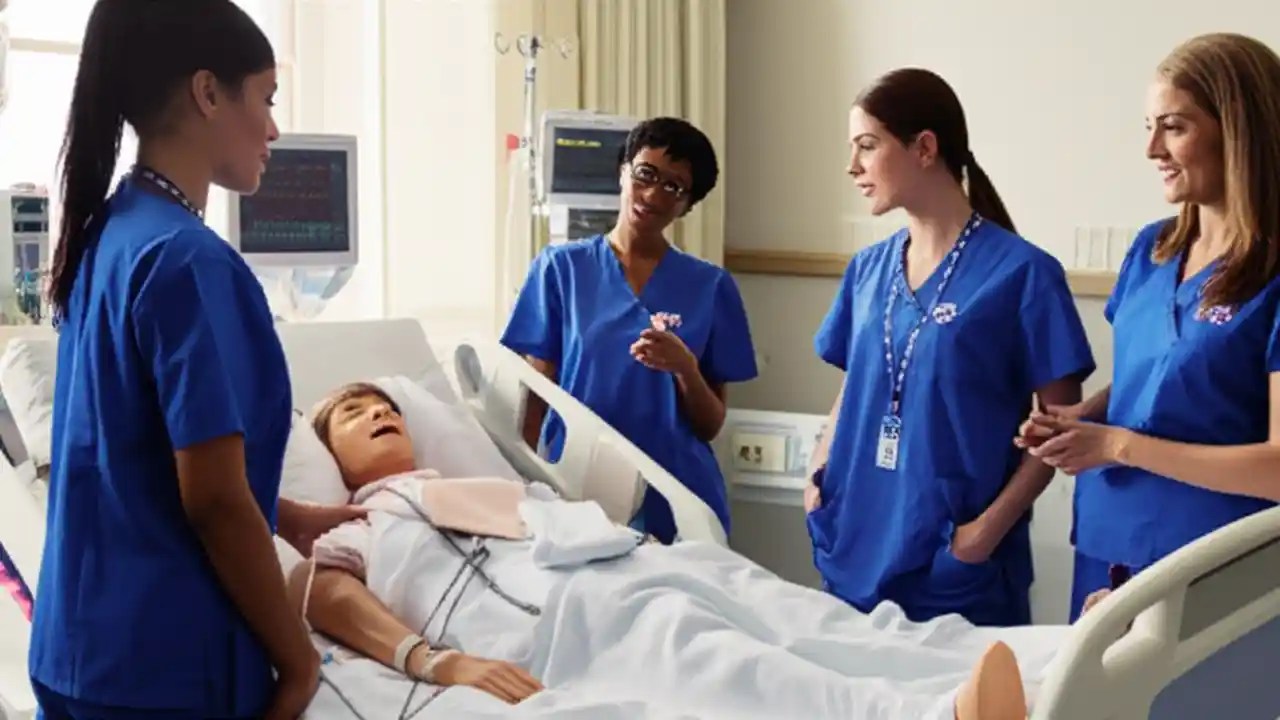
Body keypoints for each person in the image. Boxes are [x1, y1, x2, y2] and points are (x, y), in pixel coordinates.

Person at [295, 381, 1039, 719]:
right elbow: (324, 594)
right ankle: (930, 714)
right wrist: (433, 661)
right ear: (329, 455)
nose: (381, 413)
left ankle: (1035, 661)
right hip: (558, 619)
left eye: (388, 405)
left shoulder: (479, 485)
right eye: (355, 414)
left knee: (798, 618)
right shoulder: (360, 527)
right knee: (720, 657)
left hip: (617, 563)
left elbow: (558, 520)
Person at [30, 2, 358, 718]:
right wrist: (298, 661)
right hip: (165, 670)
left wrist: (282, 513)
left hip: (78, 654)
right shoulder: (188, 261)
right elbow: (212, 501)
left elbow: (135, 455)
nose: (273, 129)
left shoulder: (110, 233)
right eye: (266, 99)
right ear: (208, 92)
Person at [806, 68, 1095, 628]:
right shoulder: (867, 270)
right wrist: (817, 475)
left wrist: (980, 537)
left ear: (924, 148)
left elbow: (1060, 428)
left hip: (954, 564)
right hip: (854, 538)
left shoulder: (1023, 274)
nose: (852, 166)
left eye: (867, 145)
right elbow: (856, 383)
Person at [1018, 32, 1280, 622]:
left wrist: (1116, 445)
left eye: (1174, 127)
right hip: (1109, 537)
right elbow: (1154, 376)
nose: (1152, 149)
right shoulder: (1153, 250)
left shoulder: (1271, 277)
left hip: (1209, 563)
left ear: (1239, 132)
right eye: (1148, 127)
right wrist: (1083, 417)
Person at [500, 117, 758, 544]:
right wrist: (525, 485)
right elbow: (535, 399)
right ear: (623, 171)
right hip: (579, 485)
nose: (653, 194)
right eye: (646, 174)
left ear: (687, 205)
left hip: (676, 493)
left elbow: (710, 425)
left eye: (674, 186)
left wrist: (685, 368)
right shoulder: (561, 270)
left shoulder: (710, 287)